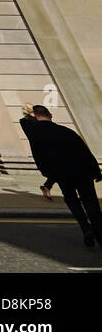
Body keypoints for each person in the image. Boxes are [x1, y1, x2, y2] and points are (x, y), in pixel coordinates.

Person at [20, 104, 102, 247]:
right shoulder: (67, 131)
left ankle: (86, 229)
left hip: (62, 174)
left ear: (35, 116)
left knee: (72, 201)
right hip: (83, 172)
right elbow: (85, 152)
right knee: (91, 204)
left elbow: (24, 121)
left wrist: (32, 115)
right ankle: (100, 235)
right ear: (51, 116)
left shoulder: (34, 131)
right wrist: (96, 171)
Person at [18, 104, 56, 199]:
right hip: (44, 147)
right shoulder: (31, 121)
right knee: (58, 169)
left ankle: (47, 186)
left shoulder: (26, 121)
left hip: (40, 147)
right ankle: (48, 187)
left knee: (57, 169)